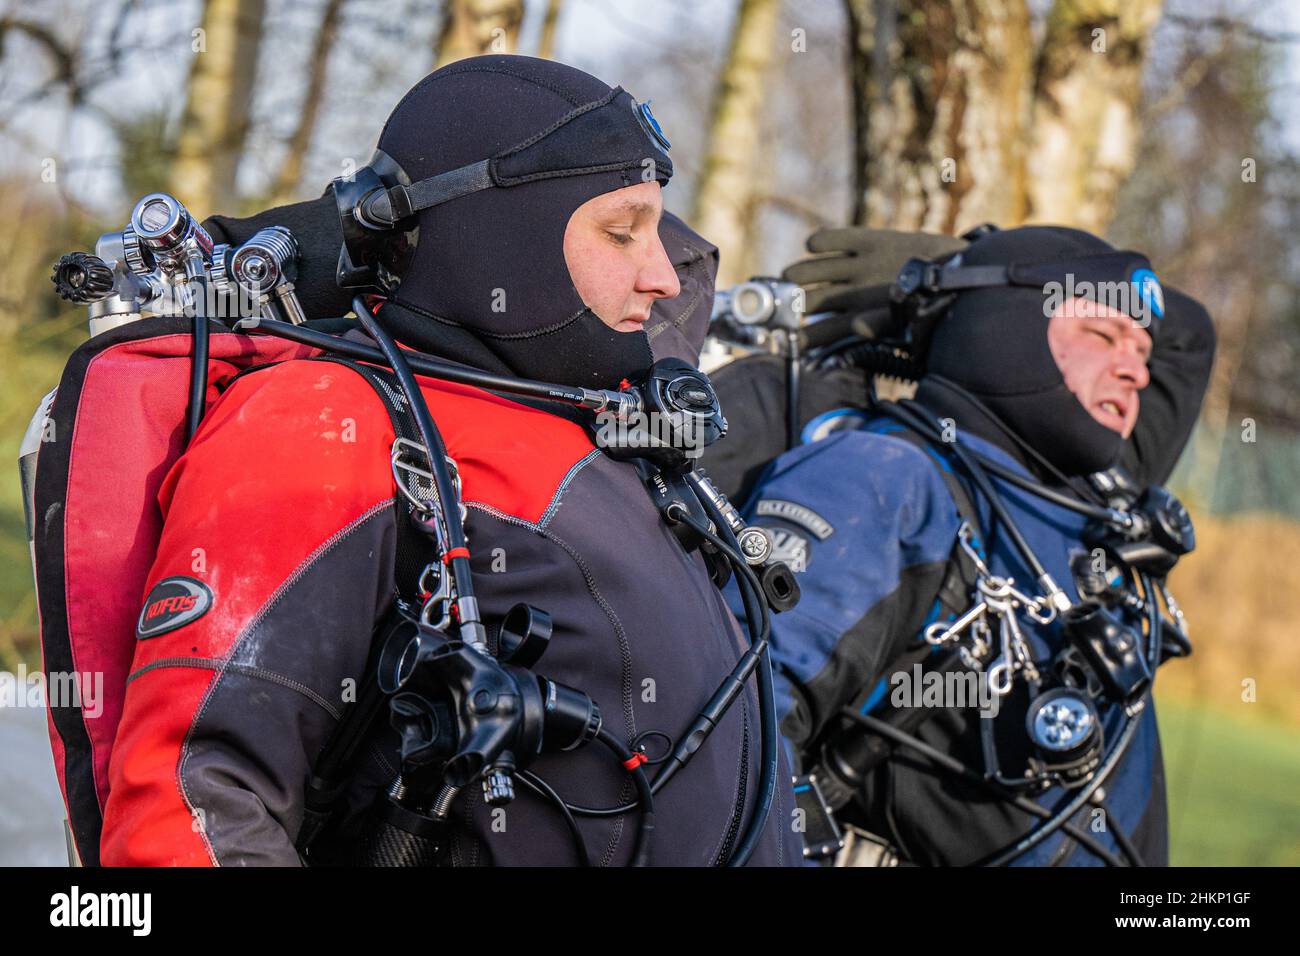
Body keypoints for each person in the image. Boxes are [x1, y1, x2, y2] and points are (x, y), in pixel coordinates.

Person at [100, 55, 800, 867]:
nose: (660, 275)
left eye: (657, 229)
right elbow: (191, 805)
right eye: (621, 230)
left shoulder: (595, 427)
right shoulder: (330, 422)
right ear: (502, 239)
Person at [722, 224, 1216, 866]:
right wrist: (969, 286)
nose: (1136, 370)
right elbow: (739, 734)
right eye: (1100, 335)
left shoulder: (1097, 495)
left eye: (1141, 352)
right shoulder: (890, 480)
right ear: (1008, 331)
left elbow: (1189, 335)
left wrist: (957, 267)